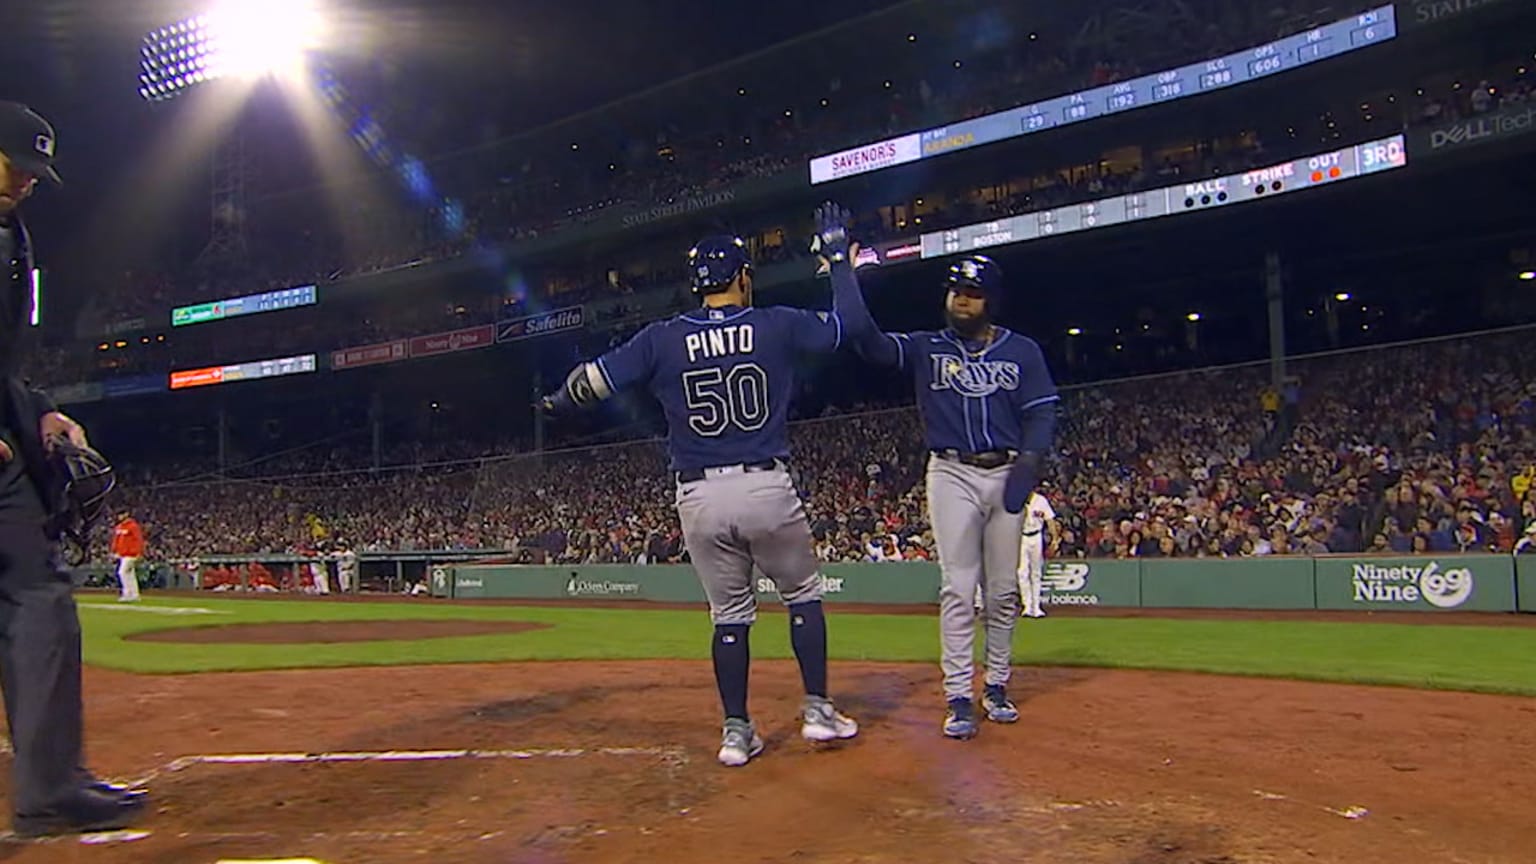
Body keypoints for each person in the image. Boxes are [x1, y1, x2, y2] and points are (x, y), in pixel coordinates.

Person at [541, 204, 874, 767]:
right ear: (743, 276)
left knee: (730, 617)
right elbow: (851, 327)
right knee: (802, 596)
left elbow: (588, 384)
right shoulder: (774, 323)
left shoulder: (661, 338)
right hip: (764, 483)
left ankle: (736, 732)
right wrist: (839, 259)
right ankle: (818, 710)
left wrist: (553, 401)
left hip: (698, 494)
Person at [0, 101, 147, 836]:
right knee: (37, 601)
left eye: (33, 172)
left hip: (7, 440)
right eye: (14, 165)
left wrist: (42, 411)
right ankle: (51, 786)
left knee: (40, 602)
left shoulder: (11, 234)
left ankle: (52, 784)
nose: (26, 182)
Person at [850, 253, 1059, 739]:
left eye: (972, 292)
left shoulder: (1022, 351)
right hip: (951, 473)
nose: (961, 299)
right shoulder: (927, 346)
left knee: (1005, 591)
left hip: (1005, 468)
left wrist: (1030, 461)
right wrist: (845, 271)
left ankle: (998, 683)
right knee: (959, 589)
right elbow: (871, 344)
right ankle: (960, 695)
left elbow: (1042, 412)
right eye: (955, 291)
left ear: (991, 299)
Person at [1017, 489, 1057, 618]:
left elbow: (1050, 520)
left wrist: (1055, 538)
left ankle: (1036, 607)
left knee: (1036, 572)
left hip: (1036, 536)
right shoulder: (1017, 498)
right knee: (1022, 572)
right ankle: (1027, 606)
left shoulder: (1041, 500)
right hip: (1022, 536)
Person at [110, 509, 144, 602]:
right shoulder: (119, 527)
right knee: (129, 574)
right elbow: (116, 540)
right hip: (122, 554)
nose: (119, 517)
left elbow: (138, 540)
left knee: (122, 572)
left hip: (130, 554)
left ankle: (127, 593)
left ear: (126, 514)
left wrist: (138, 552)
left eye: (121, 514)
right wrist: (114, 551)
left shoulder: (133, 526)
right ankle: (134, 594)